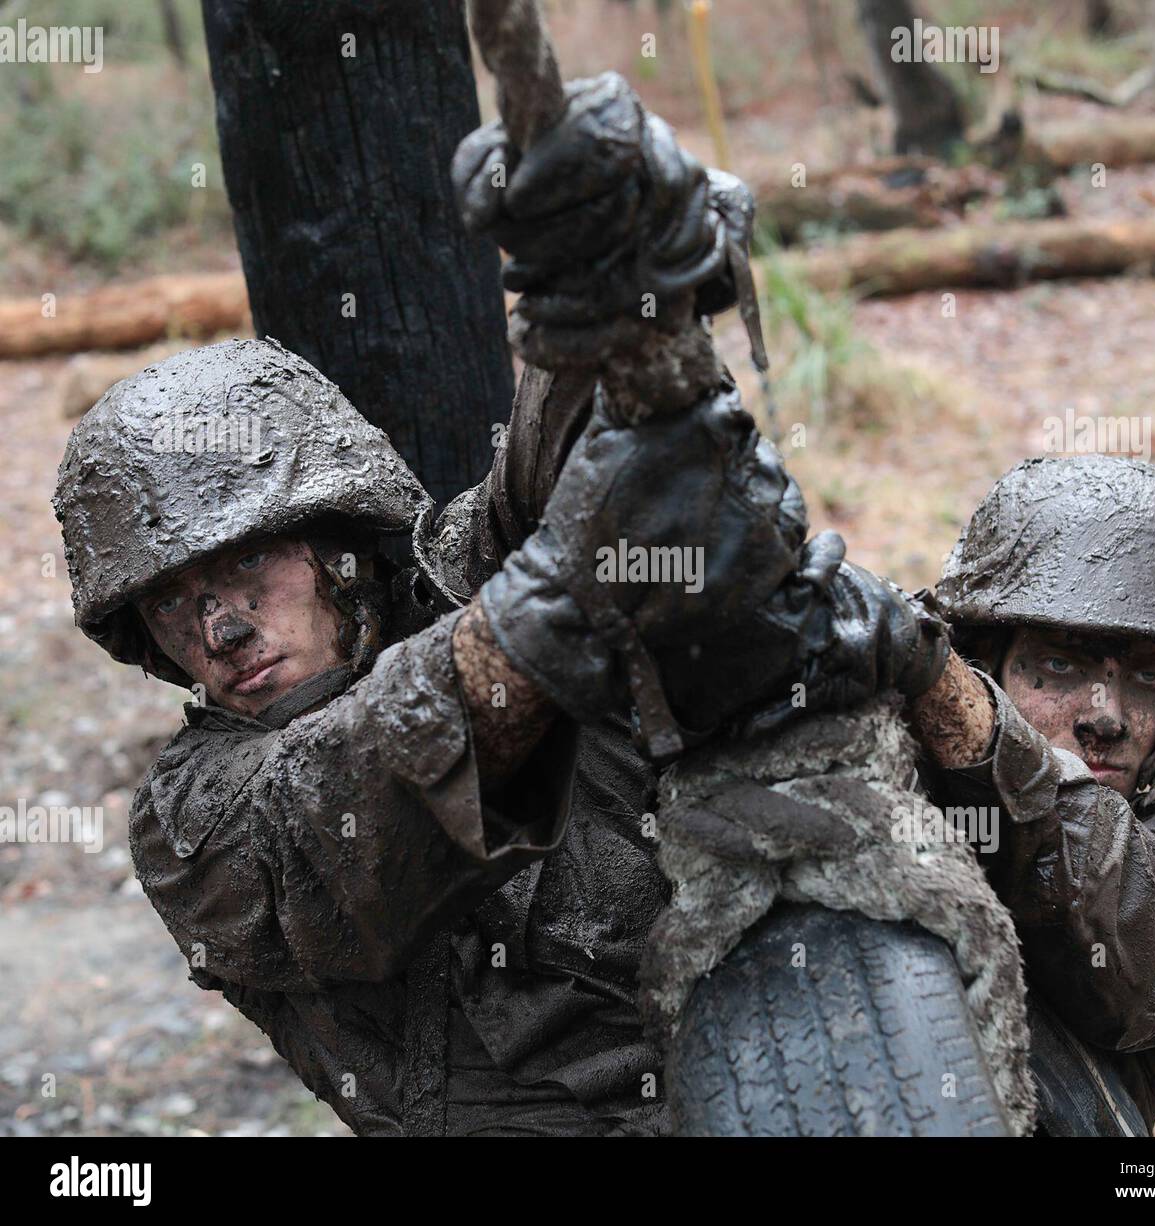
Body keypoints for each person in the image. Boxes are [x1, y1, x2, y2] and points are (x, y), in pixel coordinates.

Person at [53, 76, 942, 1136]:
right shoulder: (192, 822)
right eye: (173, 605)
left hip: (776, 1074)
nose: (221, 627)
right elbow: (351, 791)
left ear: (340, 547)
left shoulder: (461, 571)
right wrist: (559, 596)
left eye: (250, 571)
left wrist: (616, 289)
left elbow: (556, 462)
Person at [905, 453, 1155, 1133]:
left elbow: (1104, 911)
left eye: (1148, 678)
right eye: (1059, 665)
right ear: (990, 664)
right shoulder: (897, 790)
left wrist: (980, 733)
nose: (1108, 715)